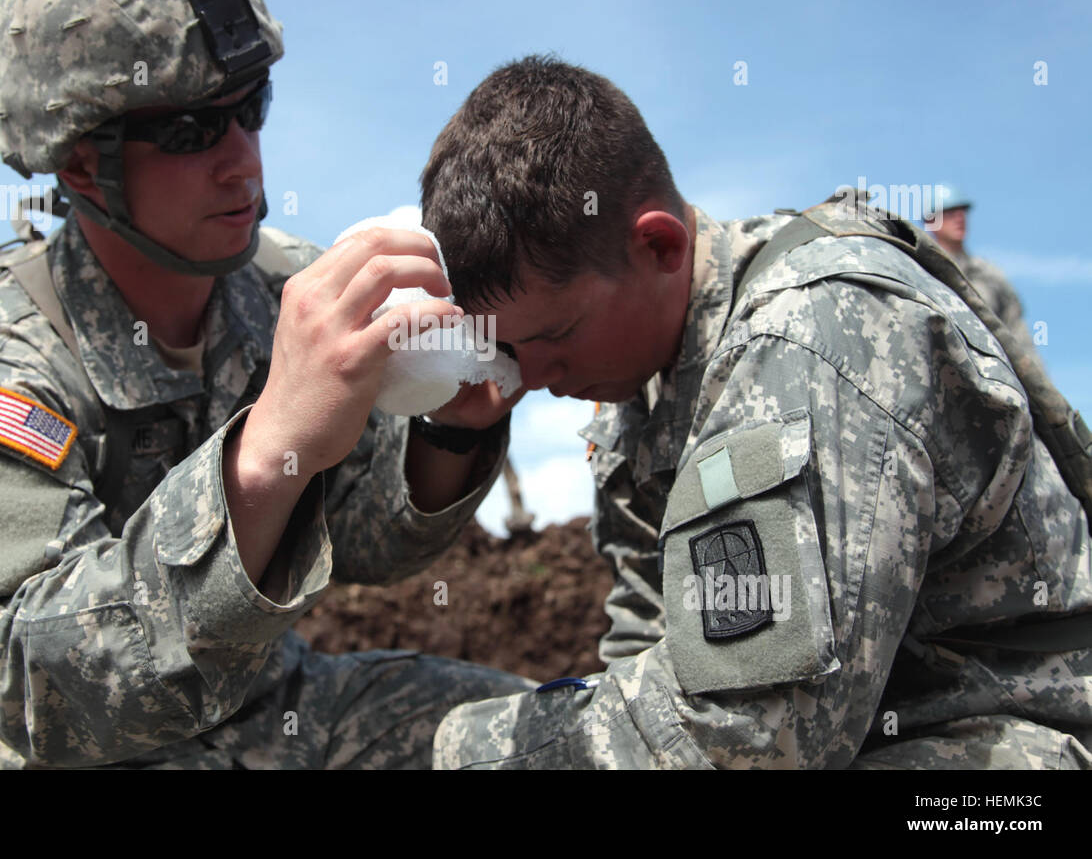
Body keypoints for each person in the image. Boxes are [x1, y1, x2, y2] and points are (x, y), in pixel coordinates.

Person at [0, 0, 532, 770]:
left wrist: (450, 425)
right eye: (191, 132)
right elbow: (31, 686)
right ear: (83, 164)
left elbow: (368, 544)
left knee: (546, 739)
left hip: (263, 713)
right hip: (32, 746)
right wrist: (269, 449)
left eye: (251, 108)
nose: (244, 162)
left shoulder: (287, 293)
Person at [421, 56, 1092, 769]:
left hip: (1011, 745)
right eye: (510, 350)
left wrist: (470, 752)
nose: (535, 378)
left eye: (554, 337)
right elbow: (648, 641)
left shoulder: (813, 331)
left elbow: (752, 738)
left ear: (658, 246)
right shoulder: (635, 392)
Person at [926, 185, 1036, 356]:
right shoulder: (921, 269)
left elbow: (1018, 333)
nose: (959, 218)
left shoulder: (990, 274)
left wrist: (1032, 380)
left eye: (962, 212)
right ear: (931, 222)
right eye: (949, 213)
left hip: (992, 373)